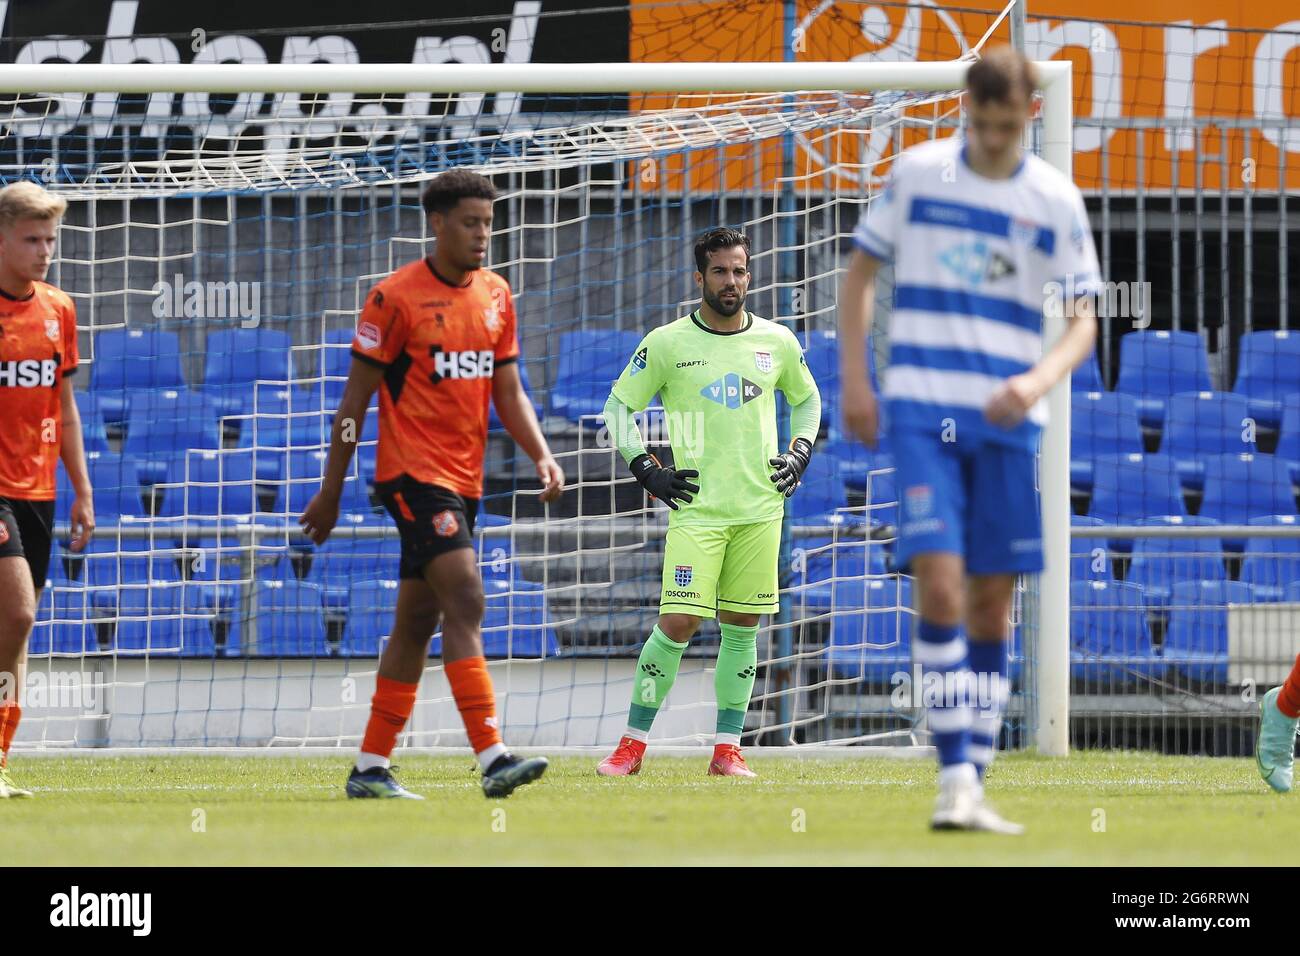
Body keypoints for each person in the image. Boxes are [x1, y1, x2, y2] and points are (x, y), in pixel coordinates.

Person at [838, 47, 1101, 831]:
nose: (992, 140)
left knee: (994, 606)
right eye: (981, 124)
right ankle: (955, 781)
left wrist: (1038, 379)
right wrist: (856, 379)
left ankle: (972, 781)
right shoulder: (918, 174)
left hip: (1008, 421)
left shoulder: (1055, 198)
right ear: (967, 111)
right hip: (921, 412)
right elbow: (858, 276)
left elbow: (1085, 315)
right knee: (943, 586)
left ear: (1032, 113)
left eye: (1007, 125)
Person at [299, 169, 564, 799]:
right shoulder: (394, 300)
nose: (482, 234)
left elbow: (508, 388)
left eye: (489, 223)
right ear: (437, 222)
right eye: (471, 222)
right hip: (410, 476)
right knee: (467, 597)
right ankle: (493, 756)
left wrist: (541, 454)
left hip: (463, 480)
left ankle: (369, 768)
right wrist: (332, 488)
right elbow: (352, 406)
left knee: (417, 621)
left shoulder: (497, 295)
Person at [596, 227, 821, 778]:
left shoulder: (777, 342)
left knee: (743, 628)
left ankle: (727, 750)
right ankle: (631, 745)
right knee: (677, 623)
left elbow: (809, 400)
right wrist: (647, 468)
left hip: (759, 510)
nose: (731, 281)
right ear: (700, 278)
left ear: (750, 274)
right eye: (719, 271)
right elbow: (618, 408)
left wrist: (798, 453)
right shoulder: (668, 342)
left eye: (739, 270)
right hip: (697, 511)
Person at [0, 181, 95, 798]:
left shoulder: (59, 309)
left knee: (14, 634)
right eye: (31, 238)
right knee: (19, 611)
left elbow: (62, 404)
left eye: (50, 239)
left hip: (40, 491)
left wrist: (82, 490)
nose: (44, 251)